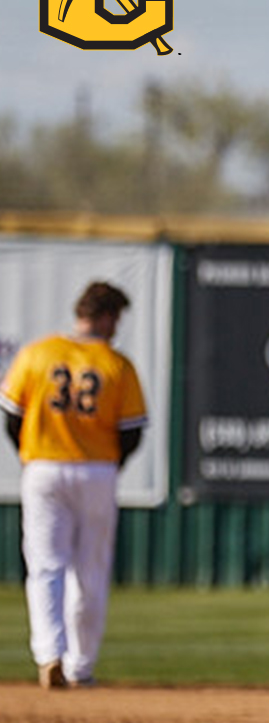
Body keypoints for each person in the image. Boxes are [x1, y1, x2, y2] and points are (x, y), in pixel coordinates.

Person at [1, 282, 148, 690]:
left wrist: (33, 453)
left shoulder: (37, 354)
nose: (115, 327)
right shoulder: (115, 364)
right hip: (96, 470)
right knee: (91, 570)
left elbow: (12, 417)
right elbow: (132, 431)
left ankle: (49, 655)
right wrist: (111, 464)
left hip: (43, 467)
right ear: (105, 316)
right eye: (115, 318)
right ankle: (80, 666)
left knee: (46, 566)